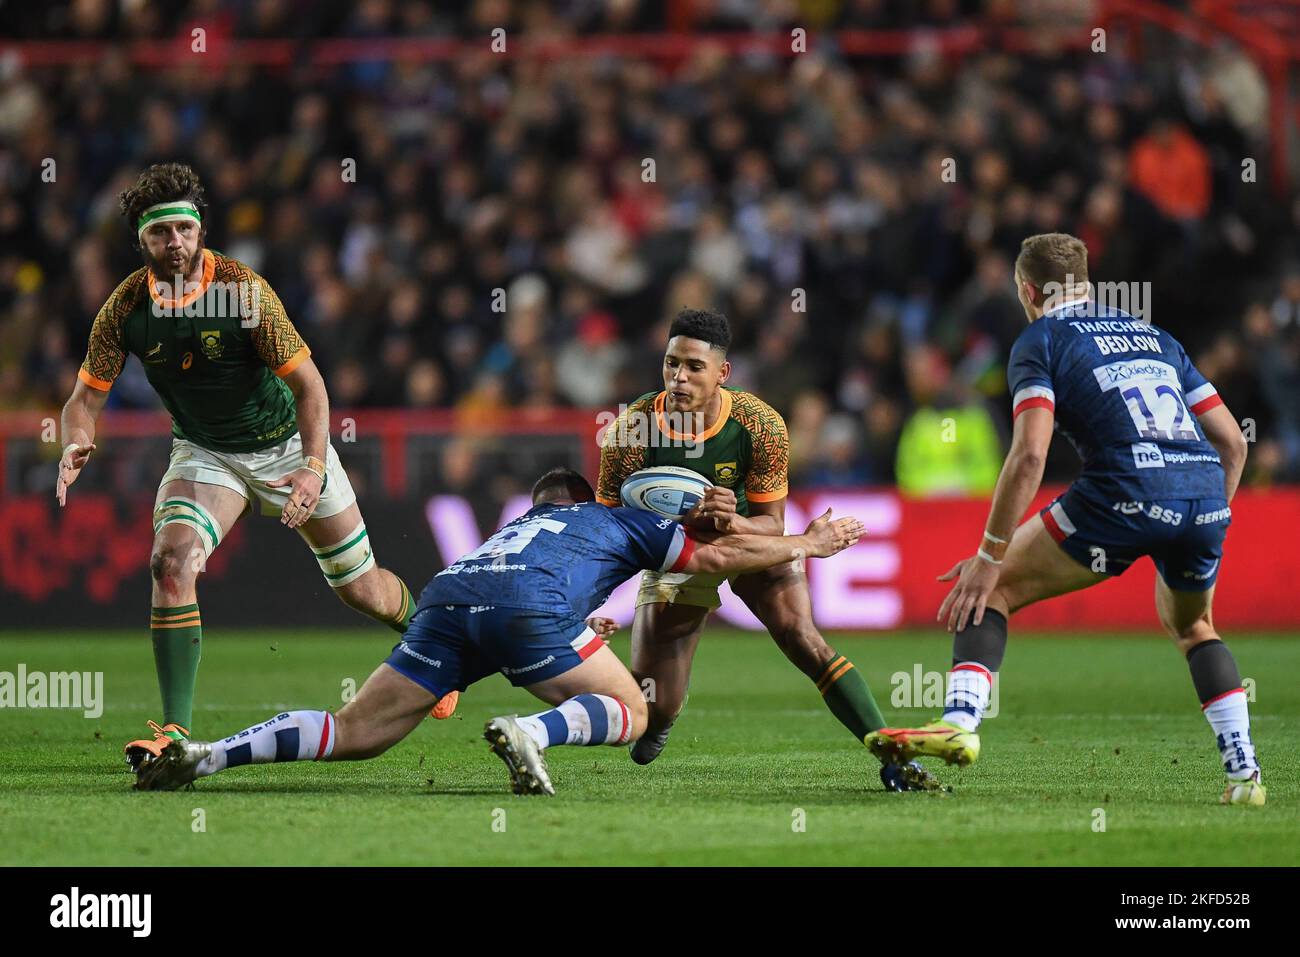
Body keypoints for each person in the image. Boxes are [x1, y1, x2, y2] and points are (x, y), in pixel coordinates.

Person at [56, 163, 453, 770]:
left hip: (290, 444)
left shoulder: (244, 292)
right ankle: (173, 733)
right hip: (206, 453)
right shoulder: (125, 308)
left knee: (364, 591)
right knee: (170, 561)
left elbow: (312, 389)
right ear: (142, 242)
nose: (176, 243)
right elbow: (84, 400)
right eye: (160, 233)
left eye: (185, 229)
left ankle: (434, 648)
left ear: (201, 231)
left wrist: (313, 469)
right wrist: (75, 441)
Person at [135, 468, 867, 795]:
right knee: (633, 708)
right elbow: (717, 555)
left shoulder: (510, 528)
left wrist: (574, 624)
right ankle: (532, 733)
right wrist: (808, 541)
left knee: (354, 730)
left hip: (450, 599)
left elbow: (507, 596)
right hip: (529, 610)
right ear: (586, 498)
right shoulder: (612, 516)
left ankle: (208, 756)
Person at [866, 233, 1264, 806]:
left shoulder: (1042, 338)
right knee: (1195, 627)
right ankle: (1244, 776)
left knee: (992, 586)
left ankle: (959, 721)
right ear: (1088, 285)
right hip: (1203, 496)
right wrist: (1206, 514)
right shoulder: (1156, 336)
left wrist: (988, 554)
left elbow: (1030, 454)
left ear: (1028, 291)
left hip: (1122, 490)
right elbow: (1232, 441)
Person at [597, 309, 928, 790]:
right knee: (653, 706)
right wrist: (670, 523)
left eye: (693, 367)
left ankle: (892, 754)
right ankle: (665, 714)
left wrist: (731, 521)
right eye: (671, 364)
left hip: (747, 541)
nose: (678, 378)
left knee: (803, 638)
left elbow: (772, 524)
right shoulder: (632, 428)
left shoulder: (760, 424)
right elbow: (605, 524)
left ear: (722, 373)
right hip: (673, 550)